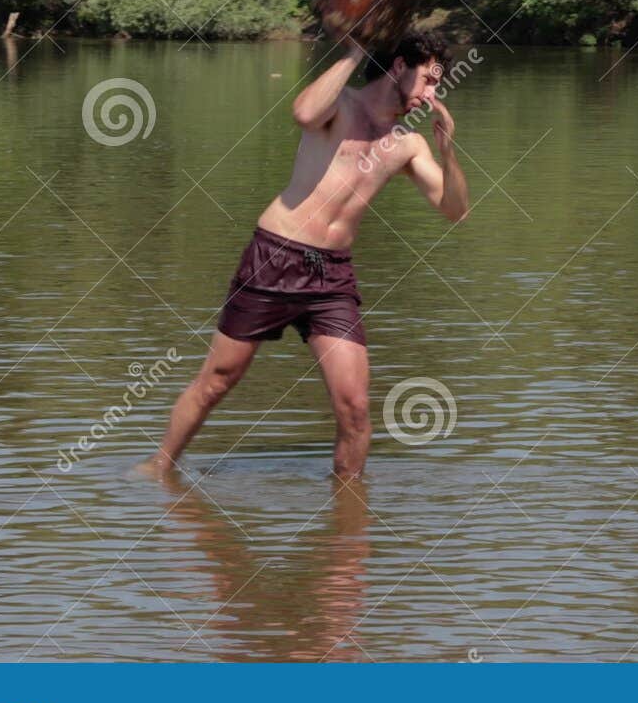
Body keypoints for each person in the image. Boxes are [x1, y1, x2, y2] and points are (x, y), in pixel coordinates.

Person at [142, 31, 470, 479]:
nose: (433, 93)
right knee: (218, 380)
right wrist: (355, 50)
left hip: (331, 276)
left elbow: (455, 211)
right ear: (398, 67)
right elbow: (302, 112)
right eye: (429, 79)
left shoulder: (407, 144)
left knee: (354, 407)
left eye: (438, 84)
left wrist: (448, 149)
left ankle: (347, 519)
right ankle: (158, 470)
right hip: (274, 255)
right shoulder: (343, 106)